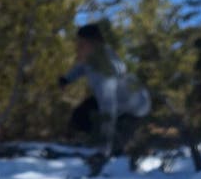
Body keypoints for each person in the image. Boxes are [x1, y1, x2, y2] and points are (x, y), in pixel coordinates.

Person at [59, 23, 150, 160]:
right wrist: (67, 79)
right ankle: (84, 142)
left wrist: (103, 151)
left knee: (108, 129)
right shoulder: (94, 55)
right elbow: (81, 67)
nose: (77, 48)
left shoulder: (103, 72)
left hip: (134, 107)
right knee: (80, 114)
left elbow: (108, 110)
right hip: (125, 97)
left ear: (92, 44)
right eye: (78, 43)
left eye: (81, 44)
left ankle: (121, 151)